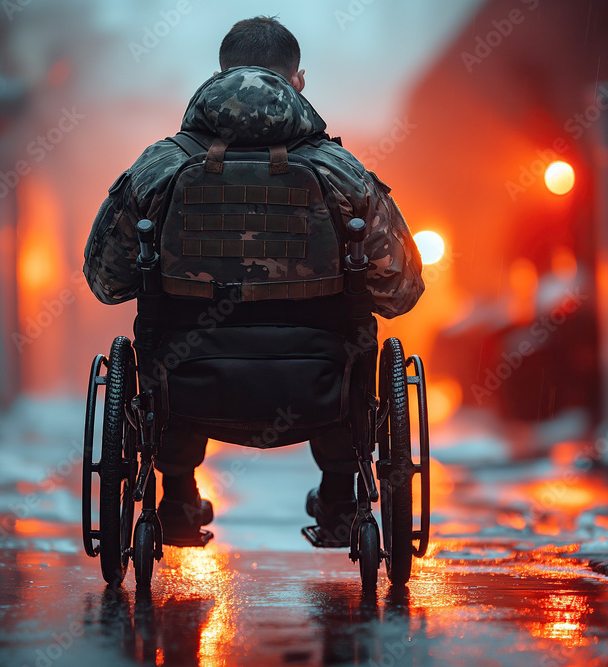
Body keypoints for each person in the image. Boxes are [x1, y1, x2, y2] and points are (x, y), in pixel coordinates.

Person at [83, 16, 424, 542]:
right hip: (317, 388)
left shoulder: (159, 168)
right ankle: (338, 500)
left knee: (158, 345)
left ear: (220, 75)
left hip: (192, 383)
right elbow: (399, 290)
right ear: (299, 81)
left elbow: (107, 281)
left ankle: (174, 499)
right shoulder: (344, 173)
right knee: (356, 348)